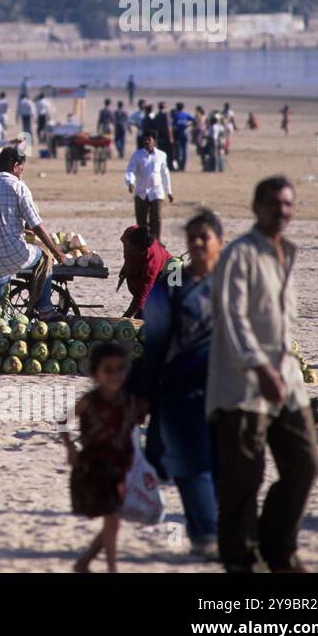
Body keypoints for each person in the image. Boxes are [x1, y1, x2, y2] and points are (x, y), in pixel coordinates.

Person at [209, 176, 318, 573]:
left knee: (305, 463)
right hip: (243, 387)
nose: (281, 211)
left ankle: (277, 545)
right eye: (273, 203)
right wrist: (260, 367)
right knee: (243, 480)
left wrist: (283, 375)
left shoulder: (287, 253)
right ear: (256, 207)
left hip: (285, 382)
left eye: (288, 203)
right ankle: (241, 558)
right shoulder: (239, 255)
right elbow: (234, 318)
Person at [130, 211, 224, 558]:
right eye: (192, 236)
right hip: (179, 392)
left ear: (220, 242)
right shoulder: (170, 288)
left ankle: (215, 527)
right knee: (190, 466)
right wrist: (143, 394)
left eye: (205, 236)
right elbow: (155, 346)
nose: (198, 242)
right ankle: (205, 534)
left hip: (225, 391)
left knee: (219, 464)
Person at [62, 341, 141, 572]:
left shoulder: (128, 400)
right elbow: (63, 422)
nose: (115, 375)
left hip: (120, 465)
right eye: (108, 370)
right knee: (112, 519)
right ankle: (111, 568)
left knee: (113, 520)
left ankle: (84, 561)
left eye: (120, 369)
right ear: (95, 373)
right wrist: (70, 448)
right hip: (94, 467)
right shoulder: (89, 400)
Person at [0, 146, 66, 321]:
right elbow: (36, 225)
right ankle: (45, 308)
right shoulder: (17, 186)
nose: (22, 171)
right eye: (22, 167)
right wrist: (56, 251)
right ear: (15, 166)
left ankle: (0, 323)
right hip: (15, 254)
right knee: (44, 255)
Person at [124, 131, 173, 244]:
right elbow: (131, 170)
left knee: (157, 217)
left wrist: (169, 191)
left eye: (149, 139)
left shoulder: (161, 155)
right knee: (141, 220)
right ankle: (144, 242)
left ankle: (157, 242)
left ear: (154, 141)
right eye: (145, 140)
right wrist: (130, 182)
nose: (146, 142)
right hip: (141, 191)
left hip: (157, 191)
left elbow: (165, 174)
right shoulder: (137, 155)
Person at [116, 224, 171, 318]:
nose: (129, 250)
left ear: (142, 250)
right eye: (128, 245)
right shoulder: (130, 232)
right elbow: (128, 254)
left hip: (165, 274)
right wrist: (125, 267)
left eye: (133, 249)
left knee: (144, 314)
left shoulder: (151, 263)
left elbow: (142, 294)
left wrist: (123, 319)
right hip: (146, 266)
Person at [171, 102, 193, 172]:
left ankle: (178, 166)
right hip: (185, 134)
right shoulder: (186, 115)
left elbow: (172, 125)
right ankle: (183, 167)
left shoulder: (175, 115)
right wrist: (188, 125)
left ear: (177, 107)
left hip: (177, 134)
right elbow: (194, 120)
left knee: (177, 151)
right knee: (184, 151)